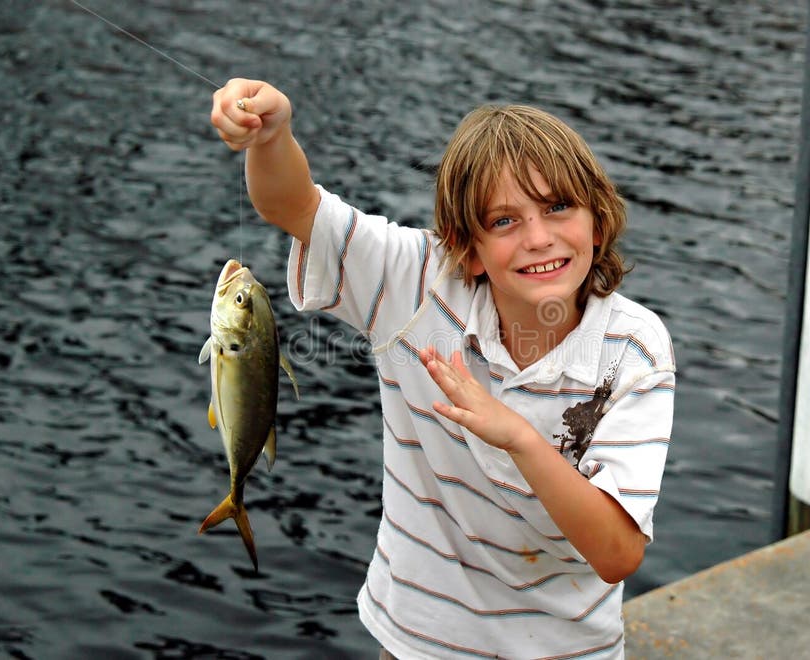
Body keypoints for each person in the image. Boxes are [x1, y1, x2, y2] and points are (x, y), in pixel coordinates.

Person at [211, 78, 675, 659]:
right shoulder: (418, 281)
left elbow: (617, 555)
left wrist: (518, 439)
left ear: (597, 221)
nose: (538, 237)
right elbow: (294, 205)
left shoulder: (634, 348)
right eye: (503, 221)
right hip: (417, 644)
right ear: (468, 248)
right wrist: (271, 135)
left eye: (558, 207)